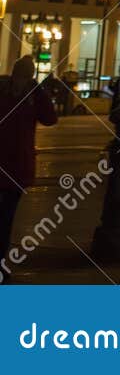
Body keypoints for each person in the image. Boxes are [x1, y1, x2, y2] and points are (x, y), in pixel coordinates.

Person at [0, 57, 59, 282]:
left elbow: (50, 118)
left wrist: (39, 92)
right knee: (4, 219)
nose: (23, 80)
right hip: (15, 165)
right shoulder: (8, 92)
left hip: (16, 166)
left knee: (5, 219)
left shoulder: (31, 96)